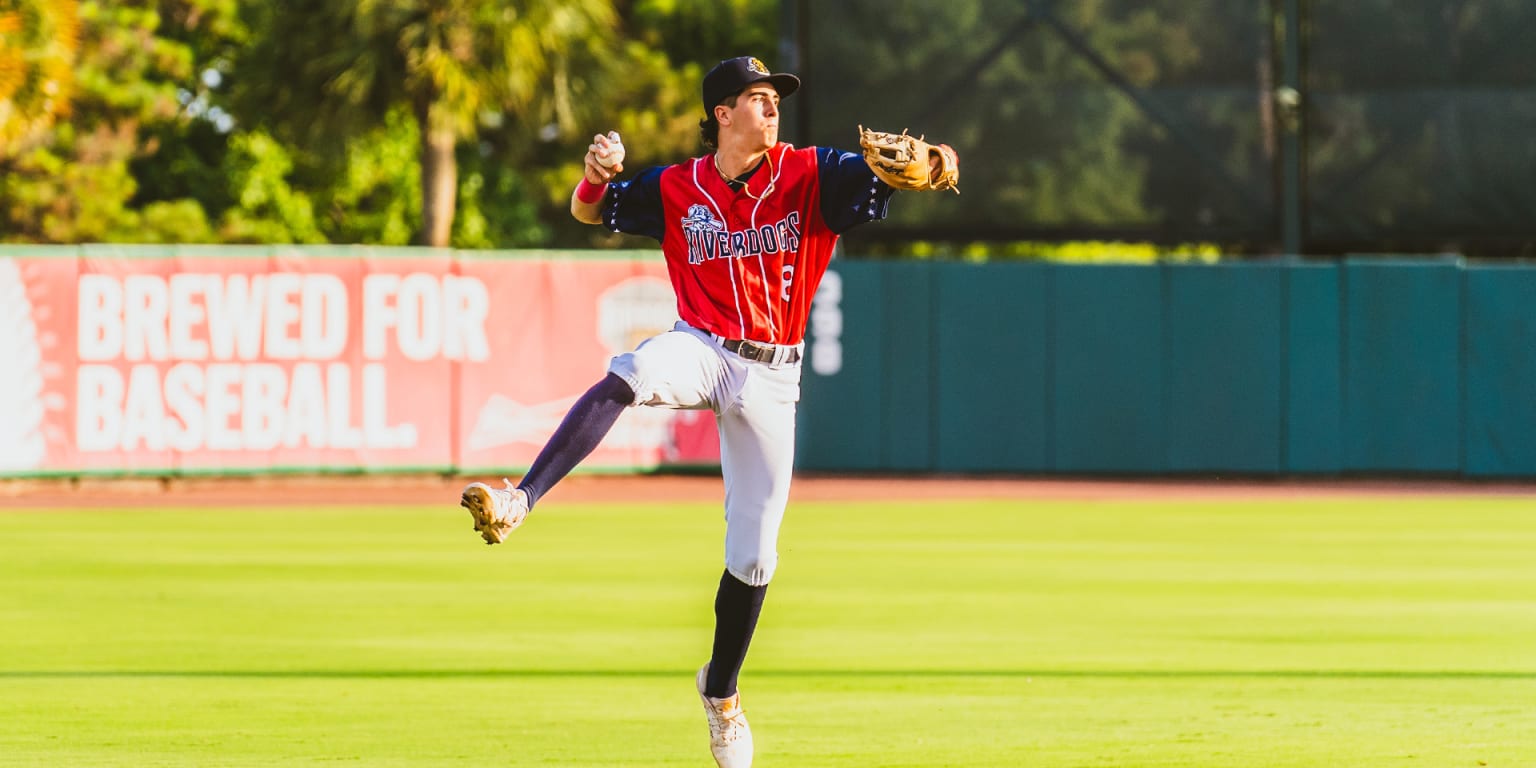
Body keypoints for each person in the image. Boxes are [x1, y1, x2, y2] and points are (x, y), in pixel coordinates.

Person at [459, 55, 957, 768]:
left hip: (774, 375)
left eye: (775, 97)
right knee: (632, 371)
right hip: (702, 346)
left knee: (754, 557)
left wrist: (934, 162)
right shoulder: (676, 186)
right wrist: (594, 178)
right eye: (757, 97)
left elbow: (913, 171)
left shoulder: (812, 171)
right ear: (722, 114)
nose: (772, 107)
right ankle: (520, 500)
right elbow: (589, 210)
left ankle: (720, 693)